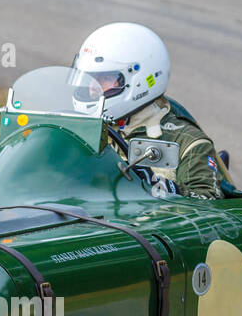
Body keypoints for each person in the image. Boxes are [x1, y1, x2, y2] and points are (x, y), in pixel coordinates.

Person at [71, 22, 231, 200]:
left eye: (105, 79)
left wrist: (161, 186)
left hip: (145, 227)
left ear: (140, 80)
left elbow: (209, 206)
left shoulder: (187, 142)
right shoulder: (75, 128)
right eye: (88, 78)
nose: (93, 88)